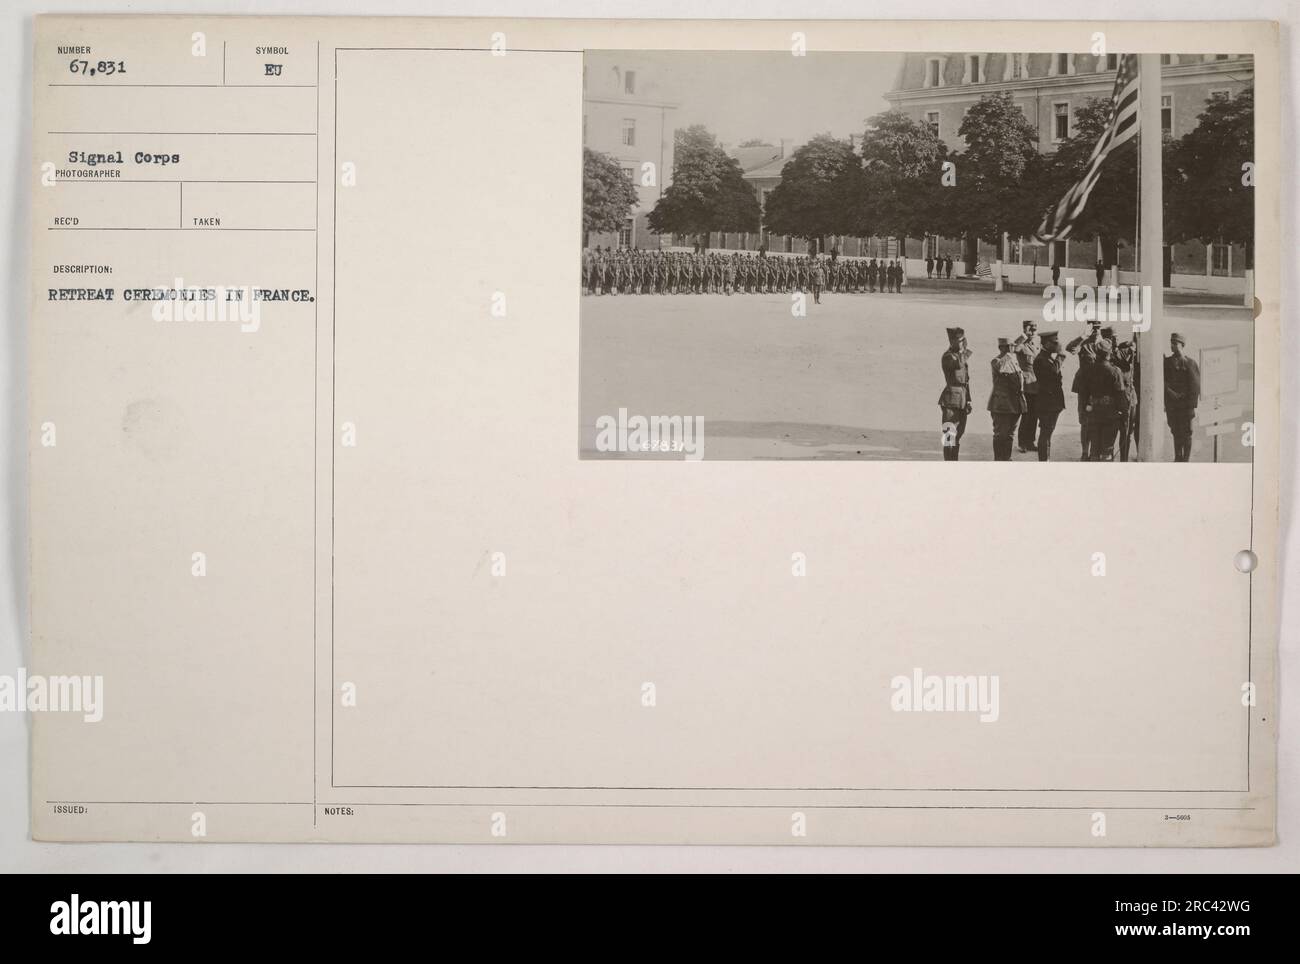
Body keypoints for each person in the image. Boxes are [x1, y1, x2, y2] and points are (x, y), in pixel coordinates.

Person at [1066, 320, 1106, 461]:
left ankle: (1096, 451)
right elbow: (1069, 348)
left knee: (1099, 419)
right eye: (1093, 328)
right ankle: (1084, 451)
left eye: (1098, 328)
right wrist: (1082, 336)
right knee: (1085, 421)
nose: (1096, 331)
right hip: (1085, 388)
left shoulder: (1105, 343)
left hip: (1100, 388)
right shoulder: (1084, 344)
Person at [1084, 341, 1126, 461]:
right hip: (1110, 415)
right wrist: (1124, 414)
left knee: (1094, 450)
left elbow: (1084, 392)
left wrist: (1085, 410)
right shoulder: (1115, 371)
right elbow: (1120, 395)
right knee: (1107, 450)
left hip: (1093, 413)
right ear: (1109, 354)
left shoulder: (1088, 370)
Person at [1164, 332, 1201, 462]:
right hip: (1173, 406)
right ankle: (1177, 456)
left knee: (1187, 433)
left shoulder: (1191, 363)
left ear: (1182, 345)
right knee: (1175, 432)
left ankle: (1186, 459)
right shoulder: (1167, 362)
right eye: (1171, 343)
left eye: (1175, 343)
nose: (1172, 346)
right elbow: (1163, 382)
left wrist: (1189, 405)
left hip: (1186, 407)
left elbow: (1195, 387)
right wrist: (1170, 392)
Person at [988, 337, 1026, 461]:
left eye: (1012, 346)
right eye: (1008, 346)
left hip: (1015, 403)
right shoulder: (997, 361)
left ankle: (1007, 458)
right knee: (1000, 434)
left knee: (1010, 434)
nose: (1012, 348)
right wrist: (1009, 354)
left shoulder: (1013, 361)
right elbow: (1001, 366)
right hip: (1001, 404)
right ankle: (999, 460)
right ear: (1001, 348)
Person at [938, 327, 972, 461]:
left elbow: (966, 382)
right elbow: (958, 364)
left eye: (963, 340)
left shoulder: (960, 356)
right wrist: (965, 351)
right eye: (959, 340)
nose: (961, 343)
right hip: (951, 400)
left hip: (962, 400)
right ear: (951, 341)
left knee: (958, 435)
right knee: (949, 436)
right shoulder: (948, 356)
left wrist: (968, 400)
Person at [1033, 331, 1068, 461]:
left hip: (1051, 402)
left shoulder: (1047, 357)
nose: (1057, 345)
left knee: (1047, 433)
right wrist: (1061, 354)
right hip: (1047, 403)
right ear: (1045, 343)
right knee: (1046, 434)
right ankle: (1044, 460)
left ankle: (1045, 459)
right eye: (1054, 343)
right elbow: (1053, 372)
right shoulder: (1041, 359)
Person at [1014, 319, 1040, 452]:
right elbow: (1014, 348)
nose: (1033, 331)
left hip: (1037, 384)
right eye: (1031, 328)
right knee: (1026, 415)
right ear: (1025, 328)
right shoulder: (1022, 344)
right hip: (1026, 385)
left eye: (1035, 328)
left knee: (1034, 415)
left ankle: (1030, 441)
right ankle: (1022, 442)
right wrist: (1024, 335)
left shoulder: (1037, 344)